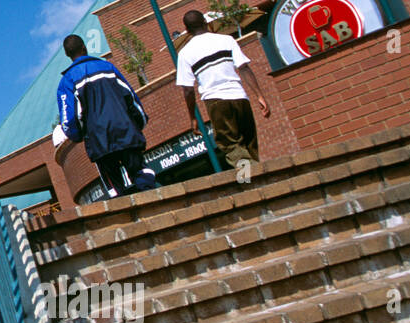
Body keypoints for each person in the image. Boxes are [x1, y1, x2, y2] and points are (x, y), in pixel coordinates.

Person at [56, 34, 157, 198]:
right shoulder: (108, 68)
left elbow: (69, 118)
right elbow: (130, 97)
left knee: (116, 189)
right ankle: (155, 201)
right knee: (140, 173)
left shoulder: (67, 81)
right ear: (84, 47)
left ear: (68, 55)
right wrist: (139, 122)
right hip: (125, 130)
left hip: (99, 140)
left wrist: (77, 135)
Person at [176, 10, 270, 167]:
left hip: (216, 101)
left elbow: (188, 90)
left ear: (187, 30)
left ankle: (249, 181)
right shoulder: (227, 40)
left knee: (232, 145)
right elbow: (244, 68)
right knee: (249, 144)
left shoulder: (185, 53)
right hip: (240, 97)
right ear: (206, 22)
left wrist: (193, 117)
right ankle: (261, 179)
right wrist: (260, 96)